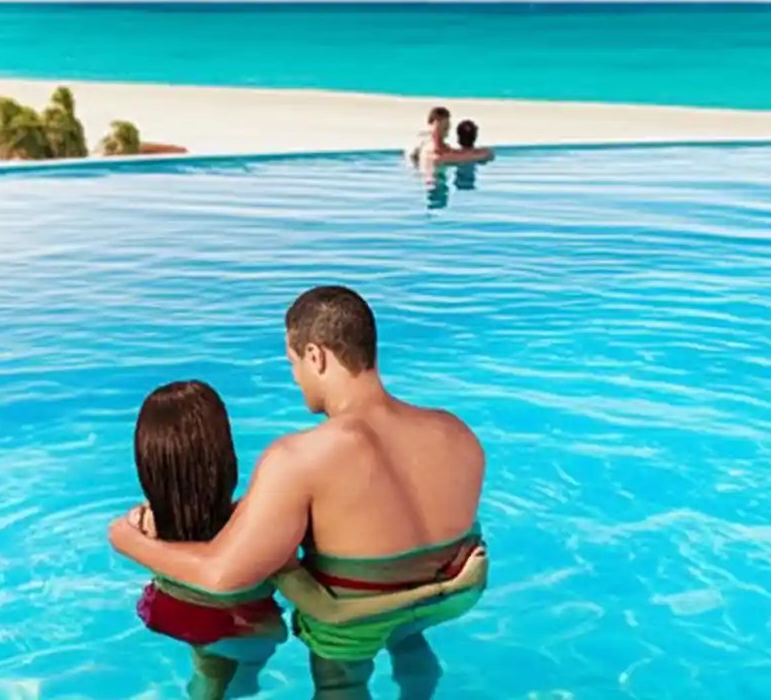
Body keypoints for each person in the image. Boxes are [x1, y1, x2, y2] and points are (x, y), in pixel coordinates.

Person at [111, 286, 488, 699]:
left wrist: (126, 539)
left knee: (340, 676)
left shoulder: (298, 458)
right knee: (406, 631)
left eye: (293, 362)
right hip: (455, 596)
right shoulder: (456, 432)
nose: (294, 376)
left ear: (316, 356)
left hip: (354, 621)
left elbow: (221, 575)